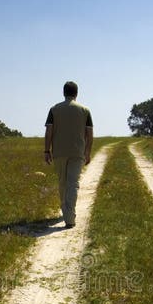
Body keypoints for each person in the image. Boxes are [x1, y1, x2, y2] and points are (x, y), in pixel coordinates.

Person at [44, 81, 93, 228]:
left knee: (63, 183)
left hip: (58, 152)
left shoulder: (54, 109)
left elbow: (49, 131)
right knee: (73, 184)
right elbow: (90, 134)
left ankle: (67, 214)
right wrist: (88, 152)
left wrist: (47, 150)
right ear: (76, 93)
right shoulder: (85, 110)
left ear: (64, 93)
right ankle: (69, 215)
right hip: (78, 152)